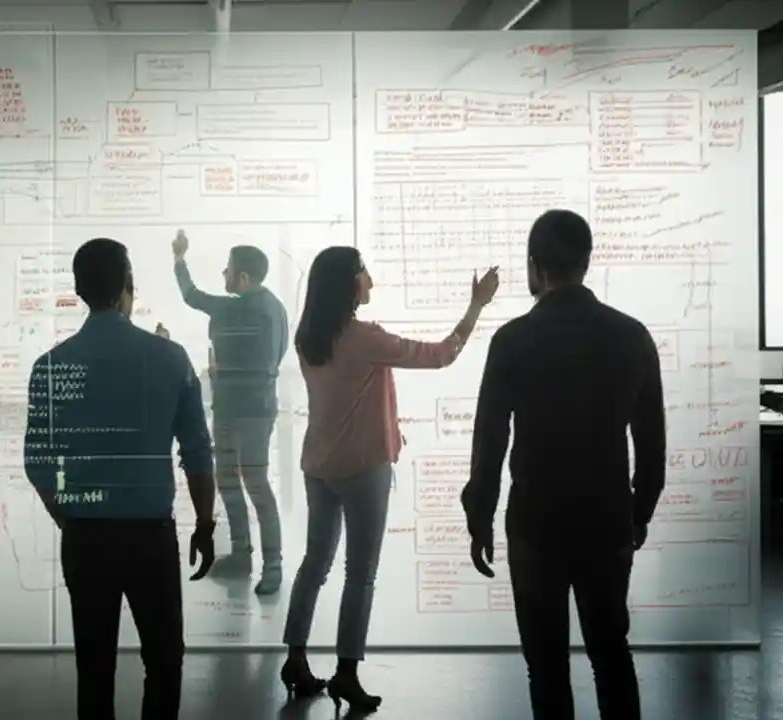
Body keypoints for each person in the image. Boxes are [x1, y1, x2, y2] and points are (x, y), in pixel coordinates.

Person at [461, 209, 666, 720]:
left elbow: (490, 437)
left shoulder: (511, 341)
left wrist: (480, 514)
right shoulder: (632, 335)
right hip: (607, 518)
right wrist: (639, 510)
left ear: (535, 266)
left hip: (536, 525)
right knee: (611, 656)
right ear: (586, 262)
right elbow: (652, 441)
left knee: (546, 668)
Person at [283, 246, 499, 713]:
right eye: (364, 272)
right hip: (363, 469)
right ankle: (346, 674)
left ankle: (295, 659)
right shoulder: (363, 338)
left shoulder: (308, 337)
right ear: (348, 282)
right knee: (359, 575)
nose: (371, 281)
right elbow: (441, 355)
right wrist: (477, 306)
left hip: (318, 466)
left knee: (314, 565)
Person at [23, 237, 217, 720]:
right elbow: (197, 452)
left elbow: (37, 461)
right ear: (129, 286)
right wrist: (206, 523)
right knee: (165, 660)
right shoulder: (171, 359)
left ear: (78, 289)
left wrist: (67, 516)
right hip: (150, 537)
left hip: (86, 534)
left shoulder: (50, 366)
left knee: (94, 667)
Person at [171, 229, 289, 594]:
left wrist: (179, 259)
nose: (223, 275)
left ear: (244, 277)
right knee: (234, 482)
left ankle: (268, 563)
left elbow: (191, 296)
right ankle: (247, 556)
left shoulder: (238, 307)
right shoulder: (274, 308)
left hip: (245, 410)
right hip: (242, 408)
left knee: (250, 484)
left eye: (228, 270)